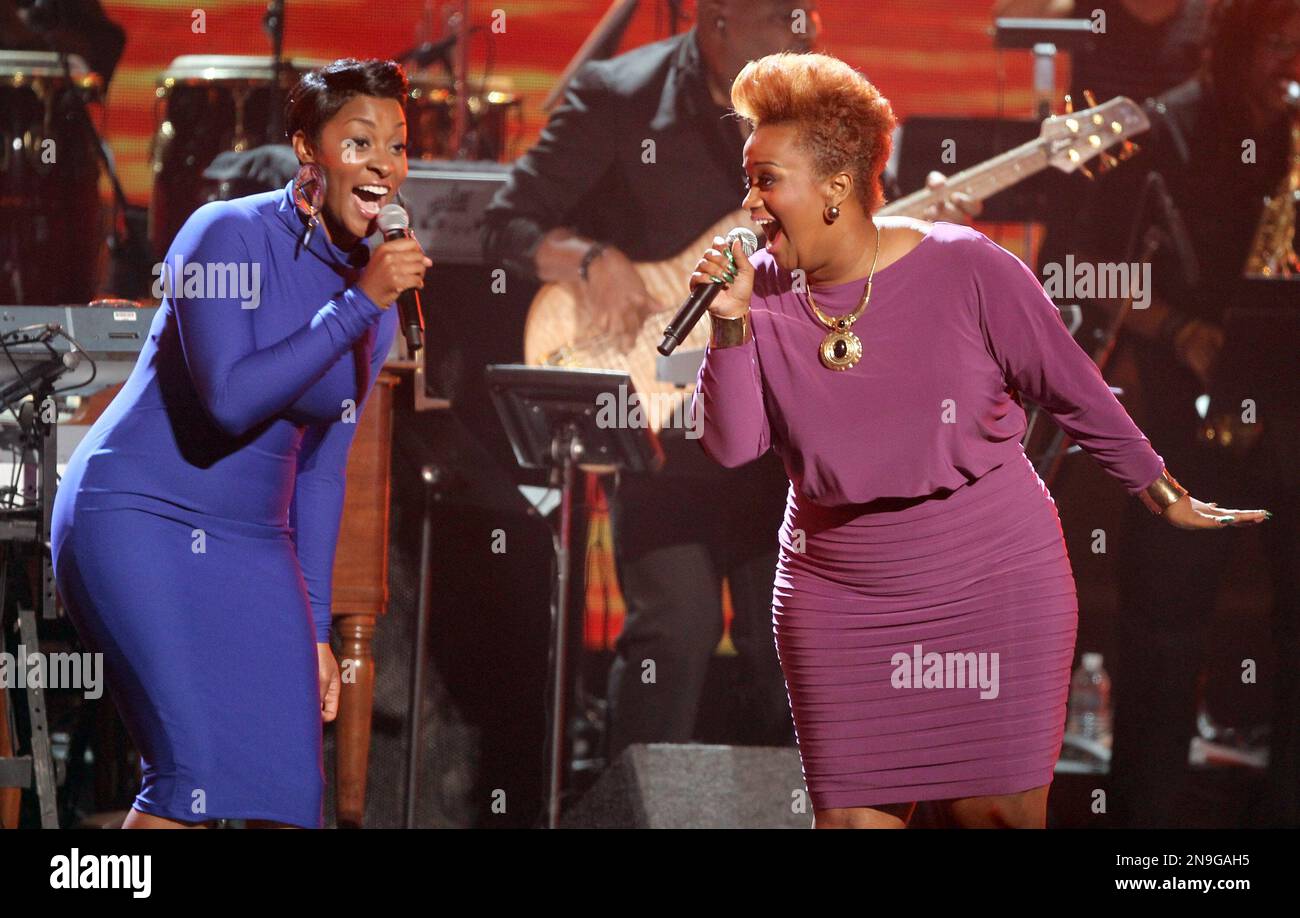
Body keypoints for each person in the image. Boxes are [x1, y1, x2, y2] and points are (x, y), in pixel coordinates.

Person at [689, 51, 1269, 829]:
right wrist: (726, 322)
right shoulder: (756, 299)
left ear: (834, 188)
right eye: (748, 179)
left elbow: (1077, 392)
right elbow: (730, 448)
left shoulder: (966, 269)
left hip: (990, 578)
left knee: (991, 816)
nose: (749, 203)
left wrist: (1164, 494)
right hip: (838, 593)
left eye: (766, 179)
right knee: (855, 822)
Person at [482, 0, 978, 761]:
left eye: (803, 11)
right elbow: (504, 222)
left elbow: (867, 247)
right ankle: (634, 810)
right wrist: (585, 260)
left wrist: (936, 228)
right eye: (779, 13)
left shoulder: (824, 105)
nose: (801, 26)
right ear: (716, 21)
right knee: (675, 629)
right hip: (660, 415)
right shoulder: (620, 96)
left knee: (788, 636)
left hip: (779, 420)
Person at [51, 58, 428, 829]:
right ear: (307, 151)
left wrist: (314, 627)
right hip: (137, 516)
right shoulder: (226, 235)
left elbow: (323, 473)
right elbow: (229, 401)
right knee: (191, 771)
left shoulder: (375, 296)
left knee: (290, 791)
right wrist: (358, 306)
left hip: (253, 542)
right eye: (360, 142)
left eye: (397, 145)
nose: (384, 164)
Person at [1065, 0, 1300, 827]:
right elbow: (1087, 270)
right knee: (1163, 633)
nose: (1290, 61)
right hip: (1184, 409)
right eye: (1276, 42)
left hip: (1288, 405)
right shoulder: (1162, 132)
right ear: (1231, 47)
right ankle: (1142, 830)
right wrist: (1180, 328)